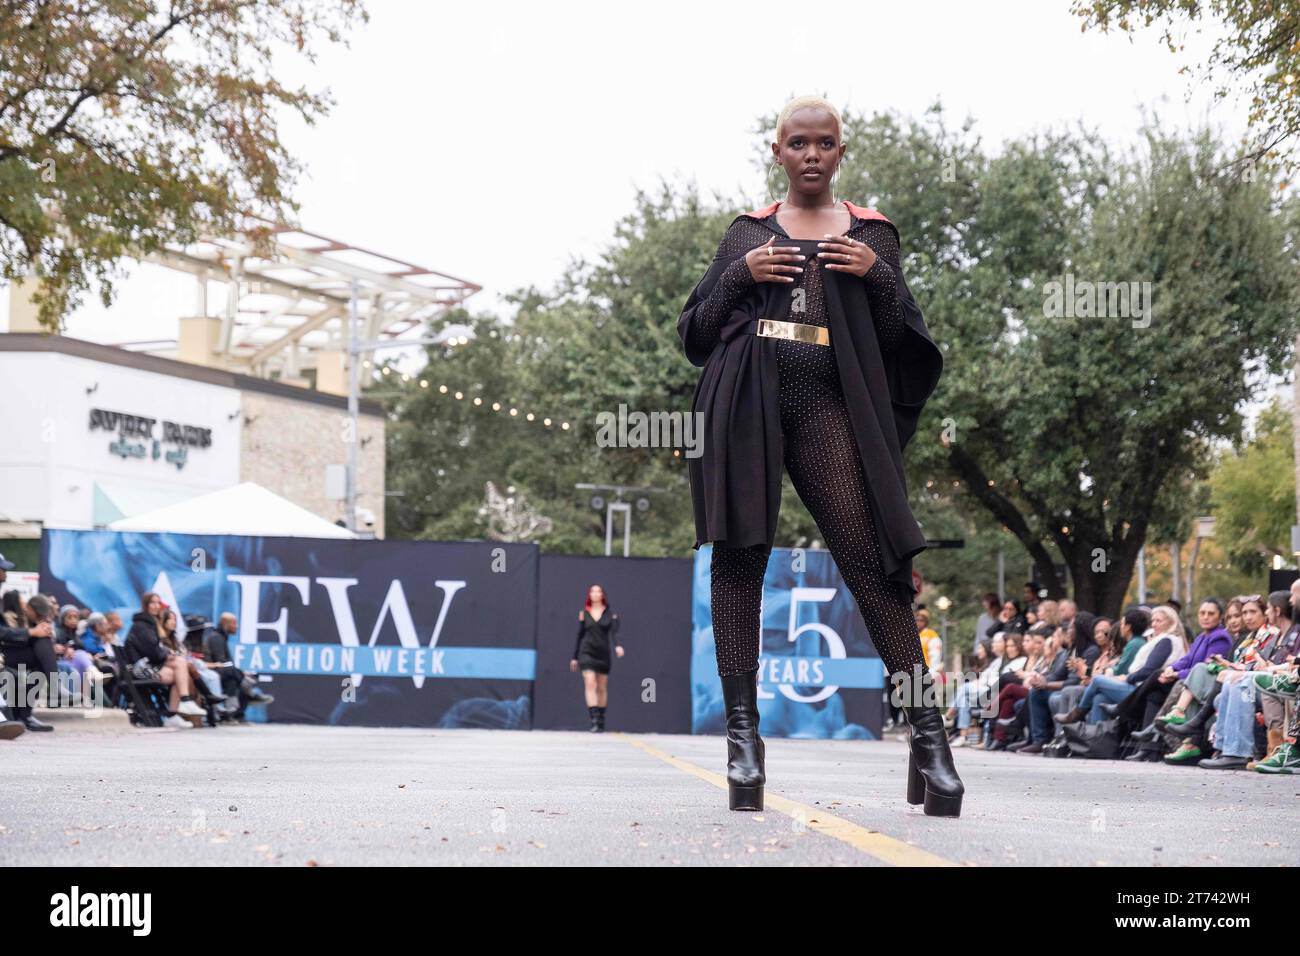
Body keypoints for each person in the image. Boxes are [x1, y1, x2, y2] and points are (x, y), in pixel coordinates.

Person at [676, 95, 960, 816]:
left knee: (875, 572)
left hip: (829, 408)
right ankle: (744, 741)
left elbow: (899, 344)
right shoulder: (747, 231)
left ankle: (928, 736)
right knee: (740, 560)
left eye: (823, 143)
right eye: (797, 142)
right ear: (778, 152)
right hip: (749, 405)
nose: (810, 153)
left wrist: (879, 275)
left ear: (840, 151)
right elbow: (697, 333)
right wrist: (742, 275)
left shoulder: (873, 233)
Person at [120, 591, 205, 728]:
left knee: (179, 671)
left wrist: (168, 655)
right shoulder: (141, 625)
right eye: (152, 602)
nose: (156, 606)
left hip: (149, 667)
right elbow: (153, 653)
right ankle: (184, 702)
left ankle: (174, 714)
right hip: (139, 670)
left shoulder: (149, 624)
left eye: (158, 603)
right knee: (180, 664)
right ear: (145, 605)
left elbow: (155, 652)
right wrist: (169, 655)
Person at [569, 584, 624, 732]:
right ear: (589, 595)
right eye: (592, 591)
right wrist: (575, 657)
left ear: (602, 595)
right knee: (590, 682)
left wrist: (618, 646)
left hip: (603, 654)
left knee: (601, 687)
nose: (595, 593)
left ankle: (601, 720)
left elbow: (614, 633)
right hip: (587, 653)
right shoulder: (584, 613)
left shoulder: (610, 614)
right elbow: (579, 635)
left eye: (598, 591)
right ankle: (593, 720)